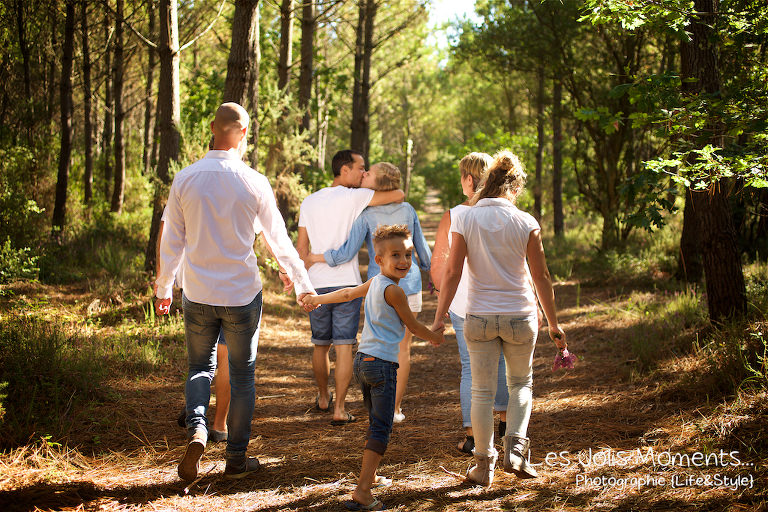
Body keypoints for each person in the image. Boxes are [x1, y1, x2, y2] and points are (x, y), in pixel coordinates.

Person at [155, 102, 315, 481]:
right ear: (244, 133)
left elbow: (170, 242)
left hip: (197, 293)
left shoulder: (186, 178)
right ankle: (237, 461)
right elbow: (279, 241)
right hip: (242, 295)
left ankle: (197, 425)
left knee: (199, 367)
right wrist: (301, 284)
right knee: (242, 377)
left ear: (213, 128)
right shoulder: (253, 181)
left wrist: (164, 288)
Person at [431, 150, 567, 487]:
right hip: (520, 316)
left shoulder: (466, 218)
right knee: (520, 384)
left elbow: (452, 271)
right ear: (515, 189)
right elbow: (542, 276)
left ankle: (483, 465)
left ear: (487, 184)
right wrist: (554, 323)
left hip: (478, 316)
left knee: (481, 391)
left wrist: (438, 318)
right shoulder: (526, 222)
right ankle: (517, 451)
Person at [303, 225, 444, 511]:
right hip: (382, 366)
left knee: (374, 422)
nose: (404, 261)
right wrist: (435, 337)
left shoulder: (376, 282)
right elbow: (413, 326)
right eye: (396, 255)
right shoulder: (394, 292)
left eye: (408, 254)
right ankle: (363, 491)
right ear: (379, 259)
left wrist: (317, 298)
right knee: (382, 428)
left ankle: (372, 475)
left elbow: (346, 295)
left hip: (362, 362)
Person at [305, 162, 431, 423]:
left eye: (369, 173)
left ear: (379, 183)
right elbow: (422, 251)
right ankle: (395, 409)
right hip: (411, 283)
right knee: (403, 349)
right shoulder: (408, 209)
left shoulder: (365, 214)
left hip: (379, 288)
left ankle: (379, 405)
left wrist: (313, 257)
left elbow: (345, 254)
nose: (364, 175)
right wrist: (433, 276)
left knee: (379, 346)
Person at [430, 152, 509, 454]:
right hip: (501, 300)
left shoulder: (454, 215)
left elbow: (440, 266)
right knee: (501, 363)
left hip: (464, 304)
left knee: (470, 368)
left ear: (468, 179)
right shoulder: (506, 212)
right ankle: (504, 424)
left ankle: (473, 434)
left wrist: (444, 300)